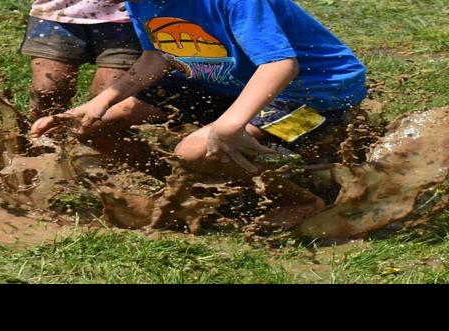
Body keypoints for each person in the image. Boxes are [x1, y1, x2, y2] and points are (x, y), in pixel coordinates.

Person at [30, 0, 368, 229]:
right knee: (95, 127)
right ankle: (190, 187)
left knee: (197, 148)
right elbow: (157, 55)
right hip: (227, 81)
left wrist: (228, 125)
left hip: (314, 92)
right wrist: (101, 101)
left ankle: (298, 200)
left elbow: (280, 65)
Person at [20, 1, 146, 121]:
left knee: (109, 99)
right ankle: (42, 139)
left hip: (127, 17)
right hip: (56, 12)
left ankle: (91, 139)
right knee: (47, 91)